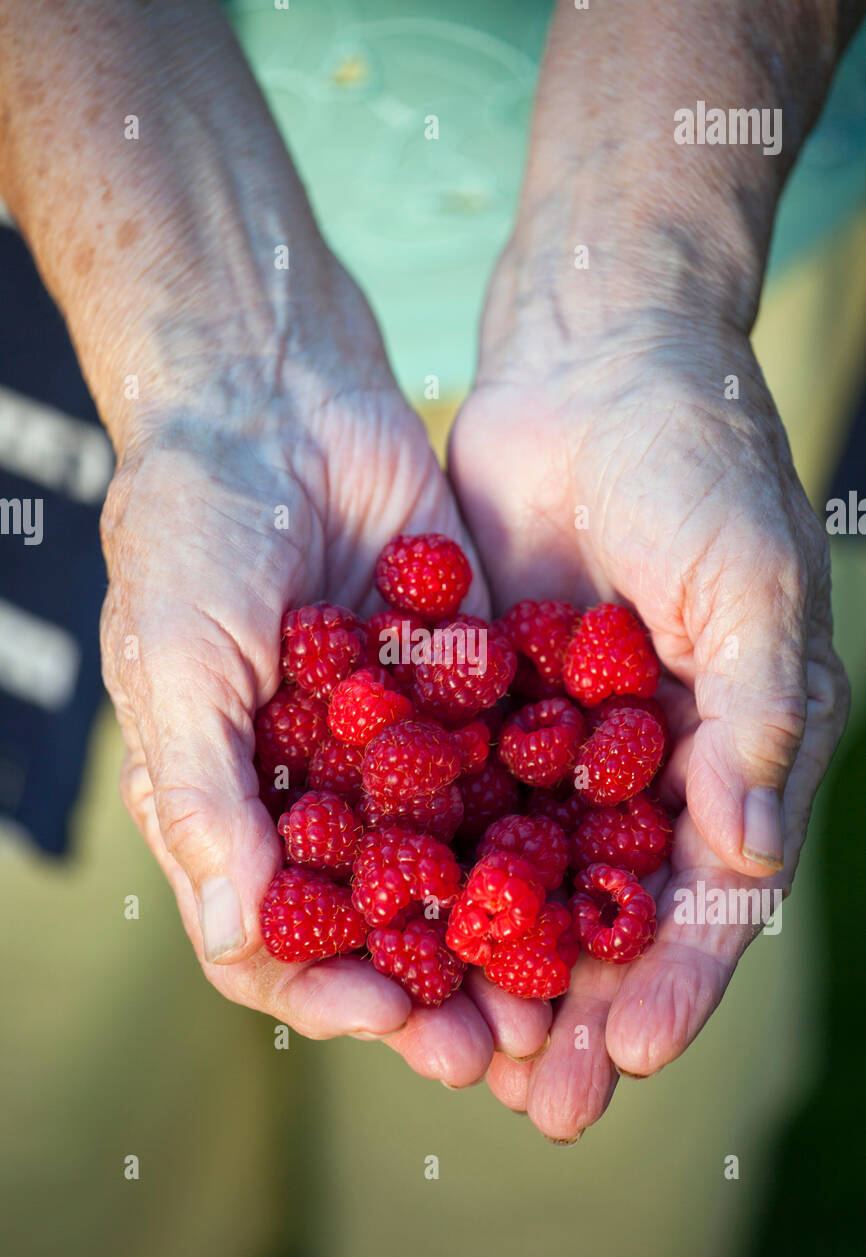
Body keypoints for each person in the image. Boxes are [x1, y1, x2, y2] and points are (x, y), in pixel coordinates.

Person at [0, 0, 856, 1154]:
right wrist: (209, 369)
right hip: (101, 300)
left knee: (565, 1196)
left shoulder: (501, 763)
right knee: (73, 1052)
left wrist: (653, 296)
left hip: (723, 221)